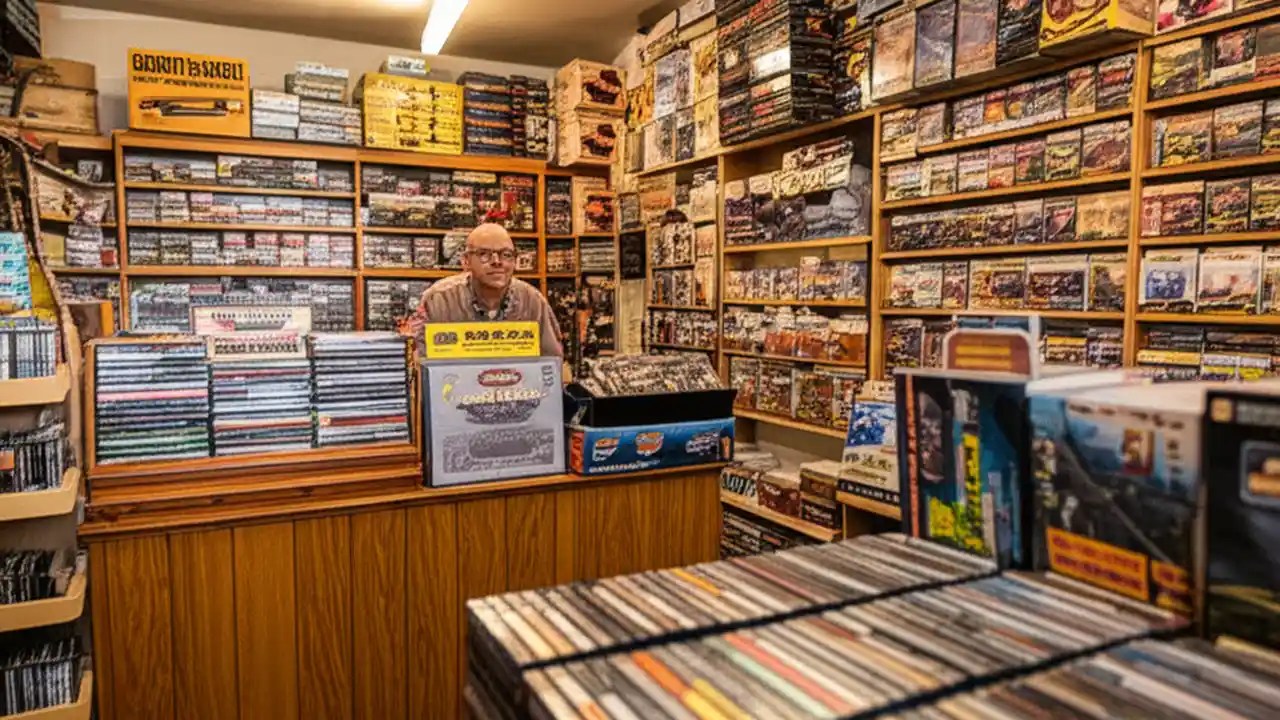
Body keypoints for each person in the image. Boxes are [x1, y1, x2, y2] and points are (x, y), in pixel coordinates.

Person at [405, 223, 564, 357]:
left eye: (506, 254)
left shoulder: (533, 301)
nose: (497, 262)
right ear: (466, 261)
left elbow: (553, 362)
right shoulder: (438, 300)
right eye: (484, 254)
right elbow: (418, 363)